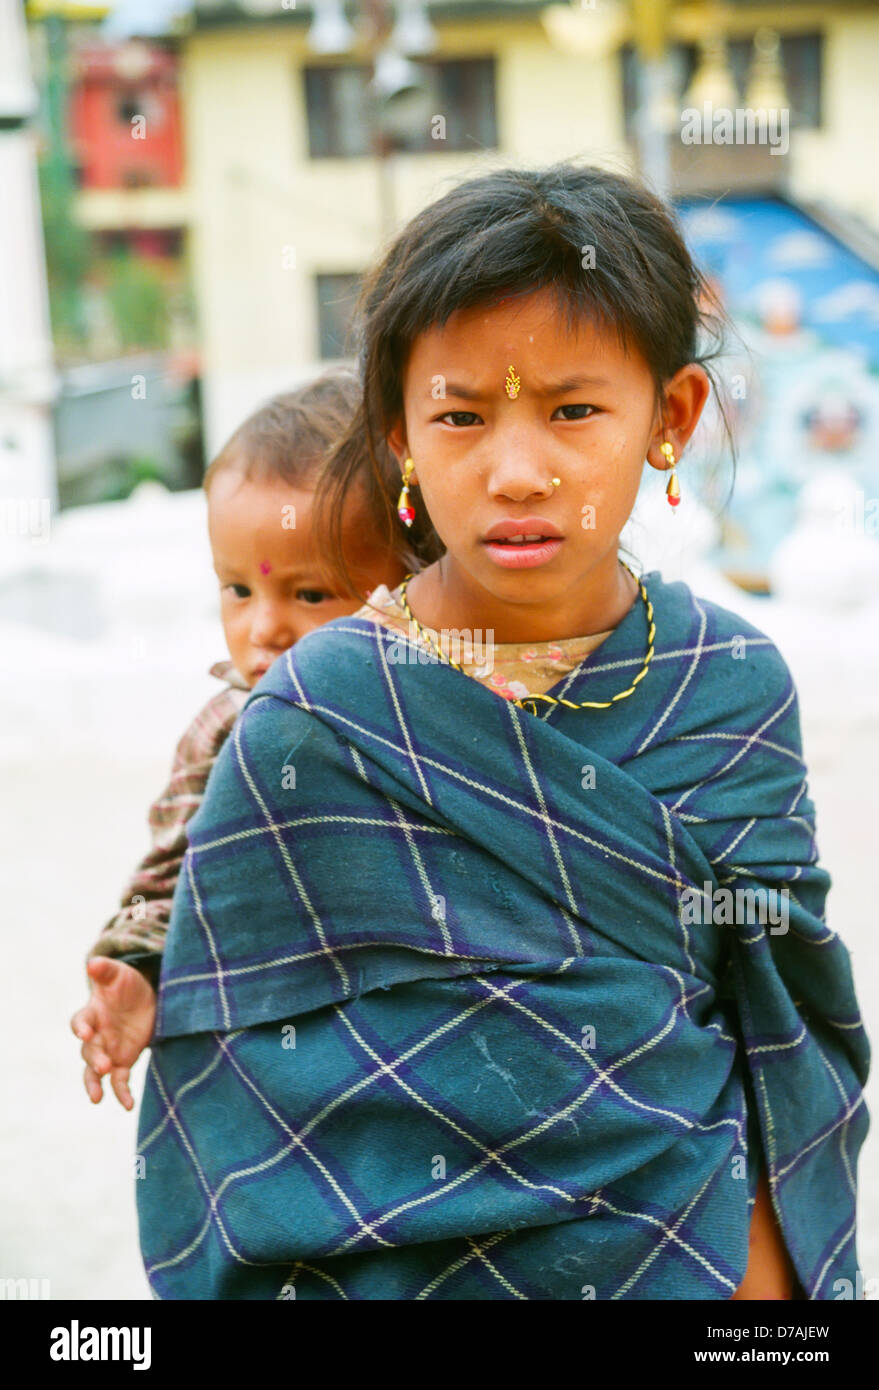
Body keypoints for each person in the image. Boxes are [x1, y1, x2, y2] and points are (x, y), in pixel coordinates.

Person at [134, 163, 869, 1301]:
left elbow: (786, 1041)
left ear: (668, 417)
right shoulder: (318, 716)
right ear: (399, 435)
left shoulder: (727, 684)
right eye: (461, 416)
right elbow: (229, 1082)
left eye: (574, 410)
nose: (517, 473)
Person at [71, 368, 406, 1111]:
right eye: (239, 589)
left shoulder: (440, 709)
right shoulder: (227, 730)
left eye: (310, 594)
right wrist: (137, 965)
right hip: (282, 1038)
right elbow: (167, 873)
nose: (263, 630)